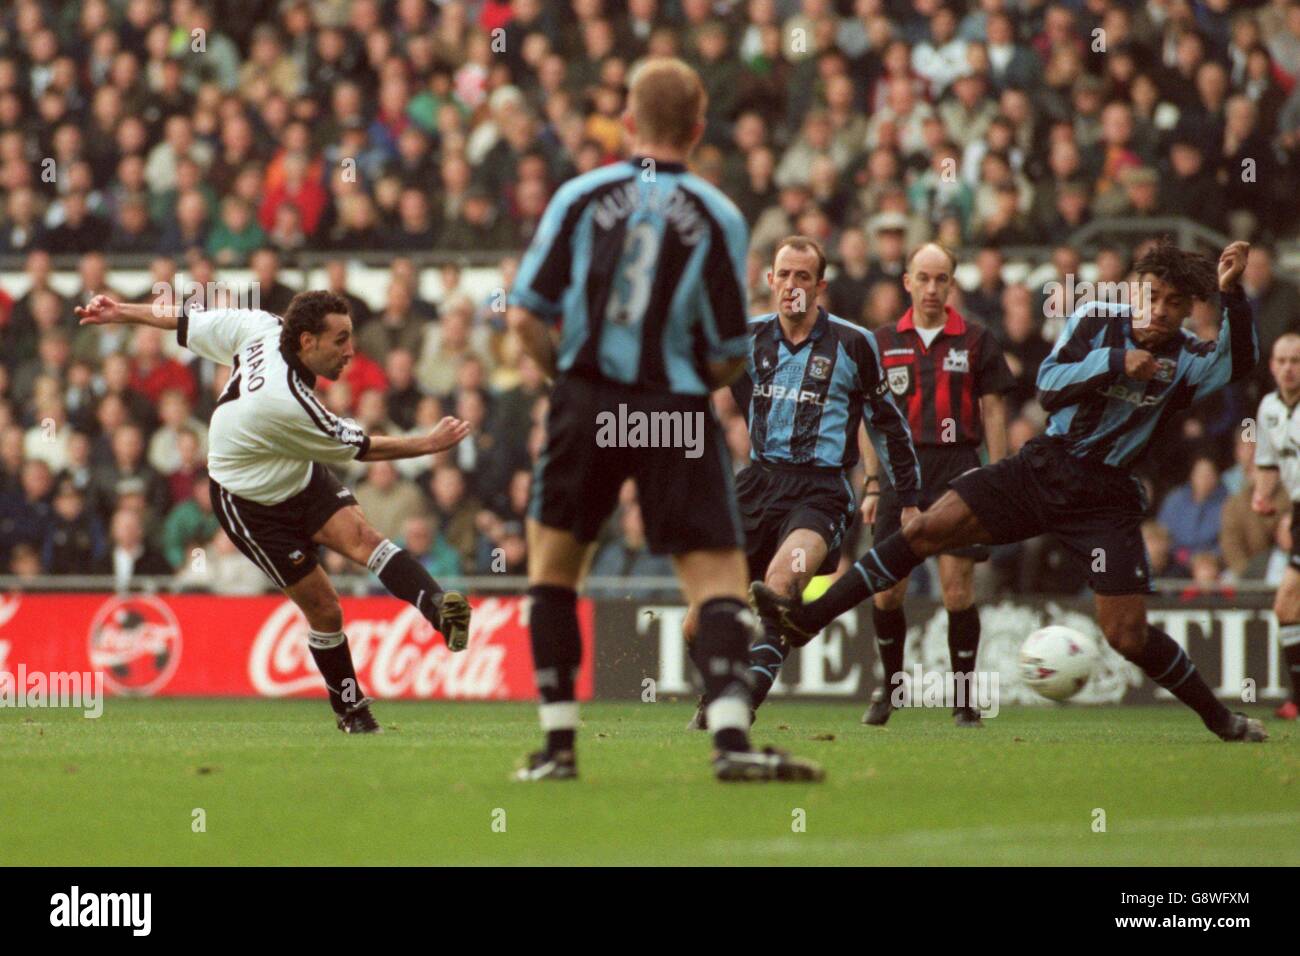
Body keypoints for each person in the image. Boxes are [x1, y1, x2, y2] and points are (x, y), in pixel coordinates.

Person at [755, 240, 1268, 744]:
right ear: (1134, 292)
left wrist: (1232, 293)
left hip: (1105, 497)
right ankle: (807, 620)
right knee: (926, 527)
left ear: (1186, 312)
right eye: (1151, 296)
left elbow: (1240, 362)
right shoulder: (1096, 318)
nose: (1158, 311)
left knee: (1126, 635)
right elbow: (1049, 385)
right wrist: (1115, 362)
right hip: (1044, 467)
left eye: (1174, 304)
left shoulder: (1186, 361)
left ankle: (1222, 720)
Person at [507, 57, 821, 782]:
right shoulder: (718, 213)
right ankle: (734, 744)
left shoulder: (582, 196)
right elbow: (728, 353)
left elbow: (525, 314)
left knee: (554, 573)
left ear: (626, 123)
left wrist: (569, 381)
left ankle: (557, 750)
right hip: (673, 410)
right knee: (713, 580)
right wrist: (686, 382)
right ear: (699, 128)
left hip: (585, 400)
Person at [75, 291, 473, 735]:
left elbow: (184, 319)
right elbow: (362, 448)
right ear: (307, 341)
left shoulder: (262, 325)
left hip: (294, 473)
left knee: (364, 538)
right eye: (340, 340)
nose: (351, 351)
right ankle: (350, 712)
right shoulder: (287, 404)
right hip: (251, 503)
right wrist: (427, 442)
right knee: (325, 610)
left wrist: (123, 311)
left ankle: (438, 606)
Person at [686, 234, 921, 730]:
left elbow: (891, 427)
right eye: (783, 274)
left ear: (820, 286)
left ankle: (742, 706)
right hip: (757, 485)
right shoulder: (746, 339)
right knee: (697, 621)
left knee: (783, 582)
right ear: (769, 280)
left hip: (821, 492)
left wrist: (911, 499)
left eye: (802, 276)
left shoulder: (854, 344)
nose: (791, 285)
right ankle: (721, 696)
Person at [858, 242, 1014, 728]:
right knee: (888, 591)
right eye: (922, 278)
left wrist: (998, 477)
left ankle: (964, 699)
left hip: (959, 468)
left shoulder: (976, 339)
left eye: (940, 278)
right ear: (906, 281)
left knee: (957, 590)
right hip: (900, 473)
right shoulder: (880, 342)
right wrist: (871, 482)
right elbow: (867, 419)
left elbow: (994, 411)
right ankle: (891, 689)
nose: (931, 288)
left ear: (951, 283)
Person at [1248, 331, 1300, 720]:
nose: (1288, 368)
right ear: (1271, 366)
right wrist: (1263, 496)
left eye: (1296, 361)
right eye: (1282, 361)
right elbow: (1268, 462)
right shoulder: (1267, 408)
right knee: (1287, 606)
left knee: (1286, 603)